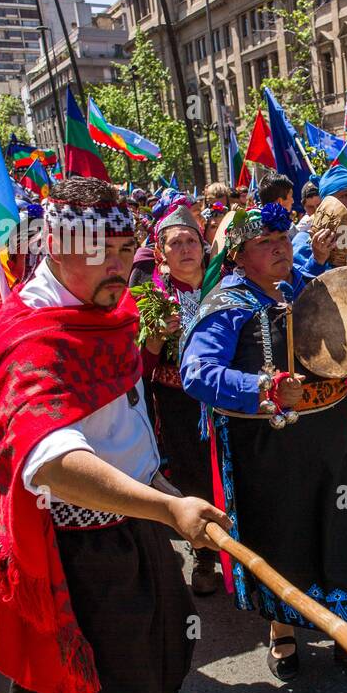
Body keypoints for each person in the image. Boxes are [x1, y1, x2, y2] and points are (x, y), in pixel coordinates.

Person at [0, 177, 221, 693]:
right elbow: (51, 459)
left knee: (166, 649)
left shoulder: (107, 314)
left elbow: (125, 423)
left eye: (125, 247)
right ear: (53, 244)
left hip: (135, 521)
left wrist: (161, 490)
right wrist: (166, 505)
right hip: (77, 553)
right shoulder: (32, 336)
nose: (119, 266)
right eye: (101, 251)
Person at [180, 204, 347, 681]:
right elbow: (196, 373)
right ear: (239, 256)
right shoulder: (225, 305)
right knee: (285, 535)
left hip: (330, 437)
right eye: (266, 243)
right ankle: (282, 630)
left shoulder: (300, 285)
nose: (281, 247)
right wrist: (260, 389)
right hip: (268, 448)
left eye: (283, 238)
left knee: (338, 526)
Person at [132, 206, 220, 596]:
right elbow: (140, 365)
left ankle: (248, 546)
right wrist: (155, 336)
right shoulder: (152, 297)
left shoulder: (226, 284)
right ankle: (204, 554)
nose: (185, 249)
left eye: (191, 241)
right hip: (180, 405)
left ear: (203, 247)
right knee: (194, 473)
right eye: (175, 243)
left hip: (226, 398)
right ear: (161, 253)